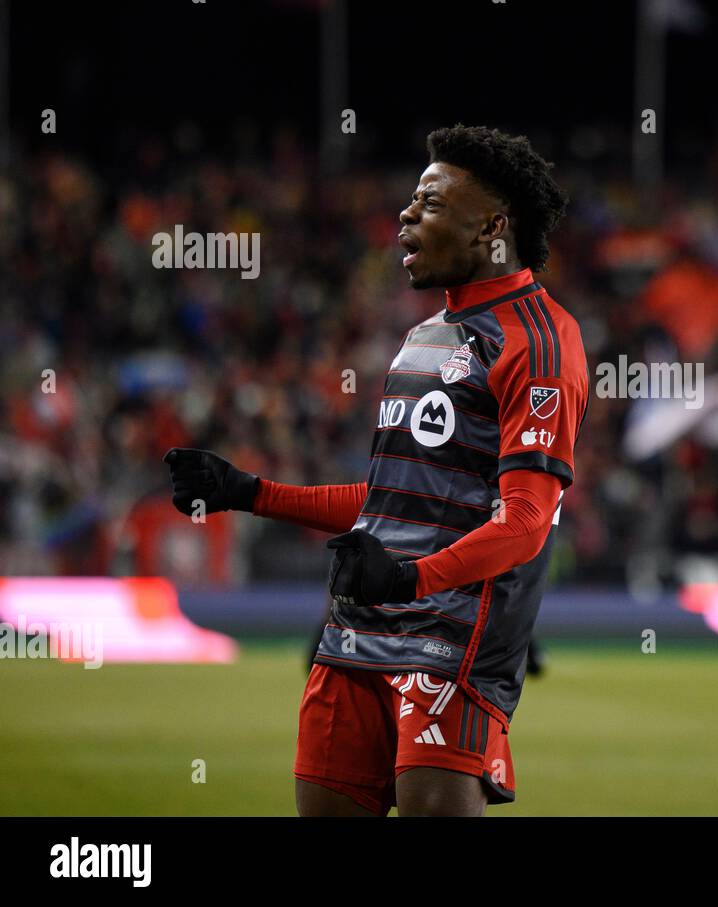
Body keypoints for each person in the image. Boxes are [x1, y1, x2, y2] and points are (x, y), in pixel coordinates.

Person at [165, 125, 588, 816]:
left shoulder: (539, 340)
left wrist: (407, 576)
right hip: (354, 634)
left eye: (429, 202)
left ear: (492, 227)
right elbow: (394, 502)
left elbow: (526, 523)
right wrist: (249, 491)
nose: (405, 214)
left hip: (450, 644)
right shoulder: (423, 337)